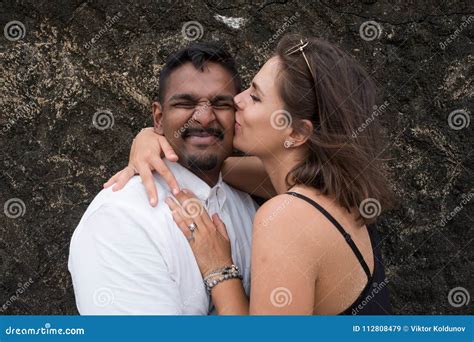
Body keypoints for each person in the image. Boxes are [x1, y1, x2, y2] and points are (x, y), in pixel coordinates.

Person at [105, 34, 394, 315]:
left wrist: (218, 268)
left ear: (296, 131)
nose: (237, 100)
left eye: (255, 97)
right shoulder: (333, 187)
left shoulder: (286, 219)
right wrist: (153, 137)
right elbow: (222, 170)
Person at [68, 42, 258, 314]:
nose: (204, 117)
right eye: (185, 103)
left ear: (237, 116)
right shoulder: (120, 218)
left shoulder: (248, 203)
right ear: (158, 118)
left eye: (220, 103)